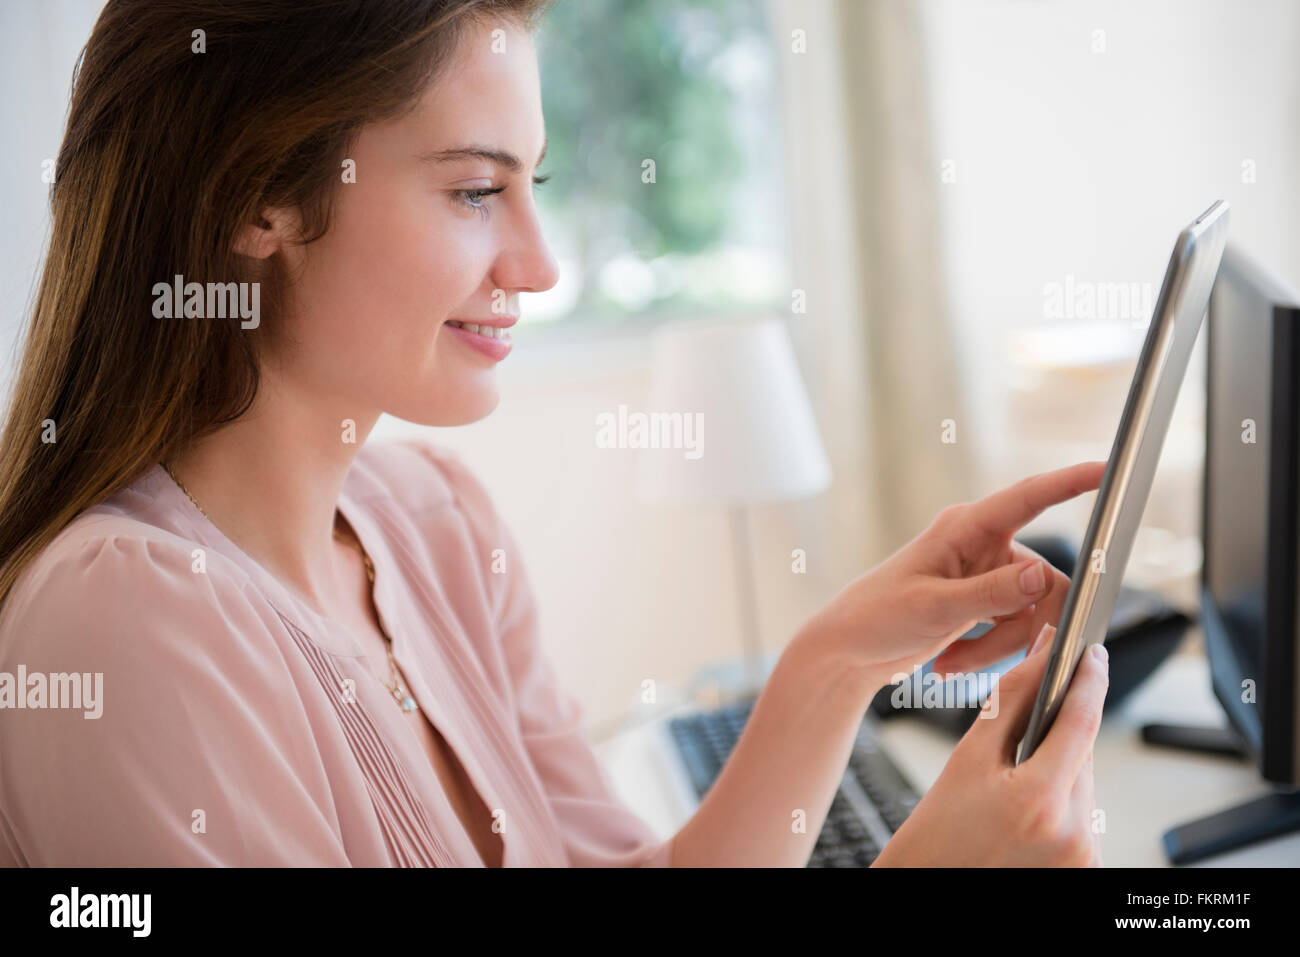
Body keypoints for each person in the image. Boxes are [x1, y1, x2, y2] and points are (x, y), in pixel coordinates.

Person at [0, 0, 1108, 867]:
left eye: (534, 185)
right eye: (477, 192)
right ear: (259, 198)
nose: (538, 266)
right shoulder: (124, 623)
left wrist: (835, 662)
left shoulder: (433, 522)